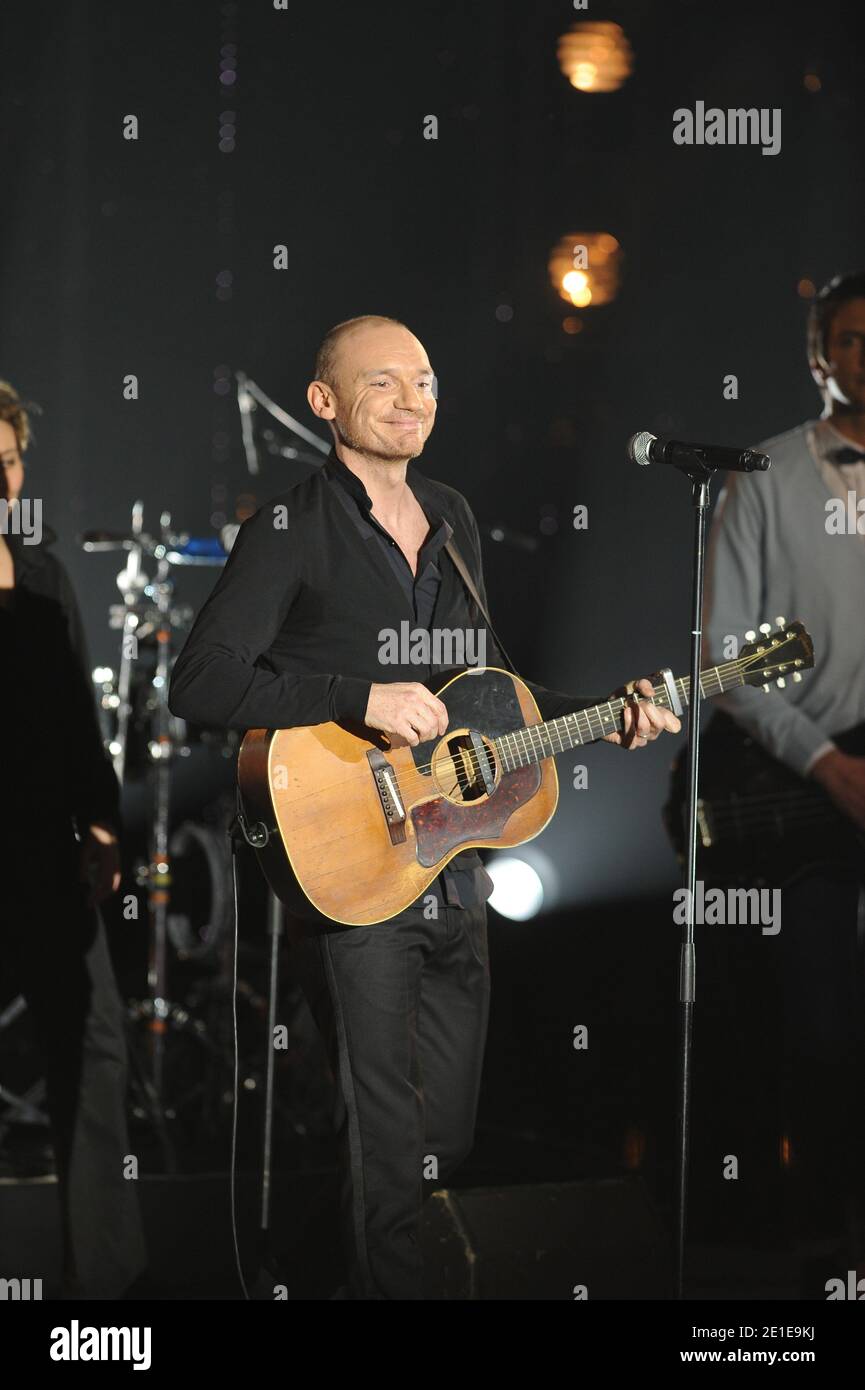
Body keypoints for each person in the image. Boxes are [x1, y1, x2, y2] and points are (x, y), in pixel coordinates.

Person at [169, 315, 680, 1299]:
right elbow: (201, 680)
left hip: (454, 866)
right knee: (392, 1151)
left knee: (436, 1140)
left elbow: (486, 700)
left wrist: (608, 712)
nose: (413, 400)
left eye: (425, 382)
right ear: (324, 403)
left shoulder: (450, 514)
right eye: (384, 383)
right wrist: (354, 698)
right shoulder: (291, 527)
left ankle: (304, 1279)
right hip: (353, 868)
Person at [704, 272, 865, 1286]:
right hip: (804, 791)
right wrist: (825, 761)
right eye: (848, 338)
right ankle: (817, 1239)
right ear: (818, 356)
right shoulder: (760, 473)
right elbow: (723, 657)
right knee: (818, 1032)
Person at [0, 380, 147, 1298]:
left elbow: (75, 725)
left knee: (95, 1046)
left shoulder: (43, 573)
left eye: (8, 462)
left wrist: (100, 822)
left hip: (39, 854)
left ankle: (105, 1287)